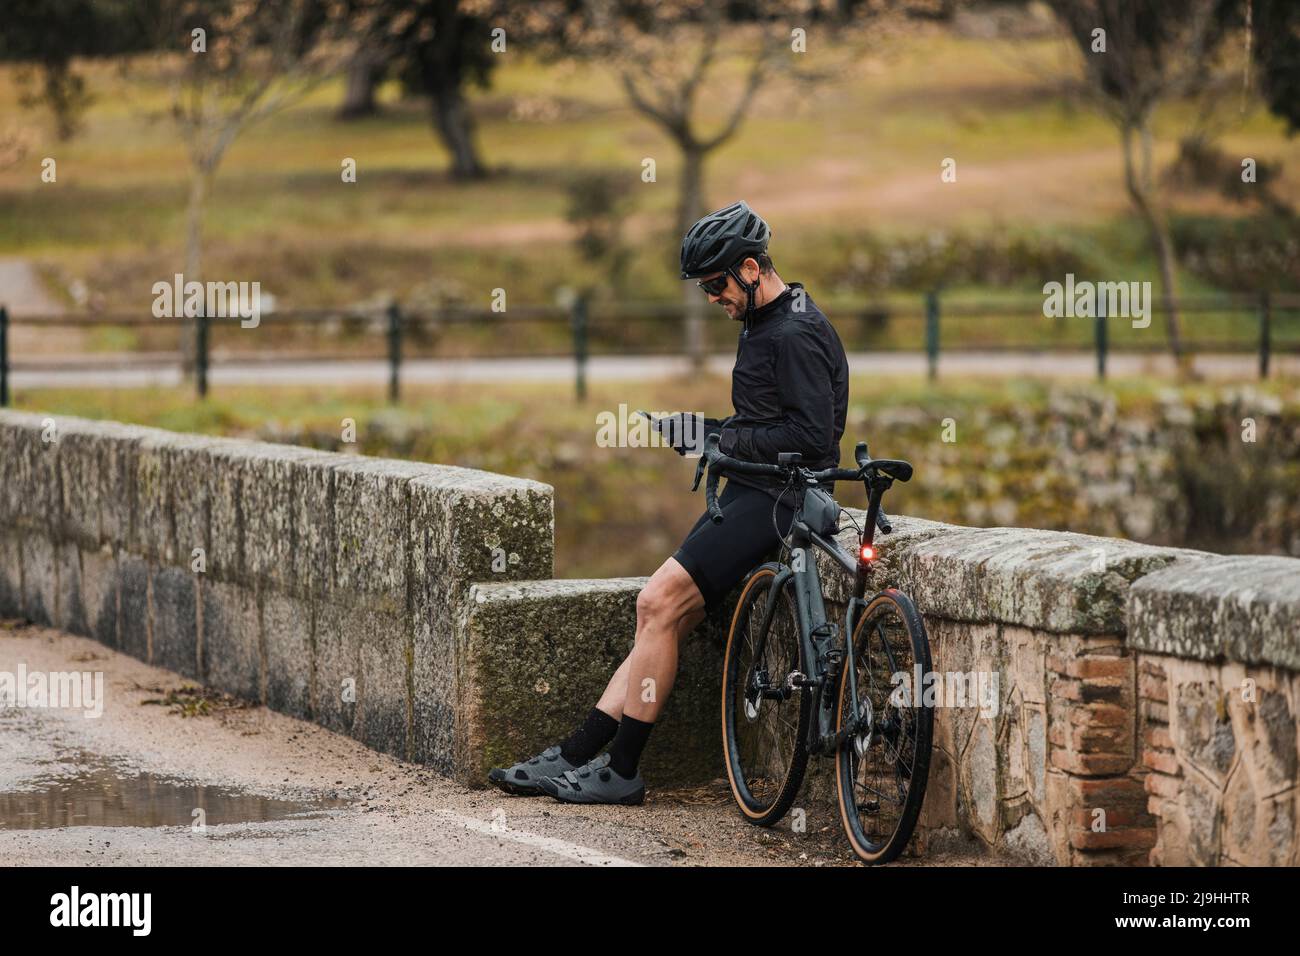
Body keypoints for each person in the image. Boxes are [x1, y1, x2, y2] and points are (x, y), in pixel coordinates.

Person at [487, 200, 850, 805]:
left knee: (656, 601)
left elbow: (813, 440)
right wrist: (702, 430)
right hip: (755, 491)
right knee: (664, 616)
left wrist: (719, 438)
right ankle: (575, 756)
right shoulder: (769, 323)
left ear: (753, 269)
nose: (711, 297)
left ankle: (621, 770)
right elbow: (770, 420)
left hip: (780, 502)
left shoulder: (796, 332)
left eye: (716, 284)